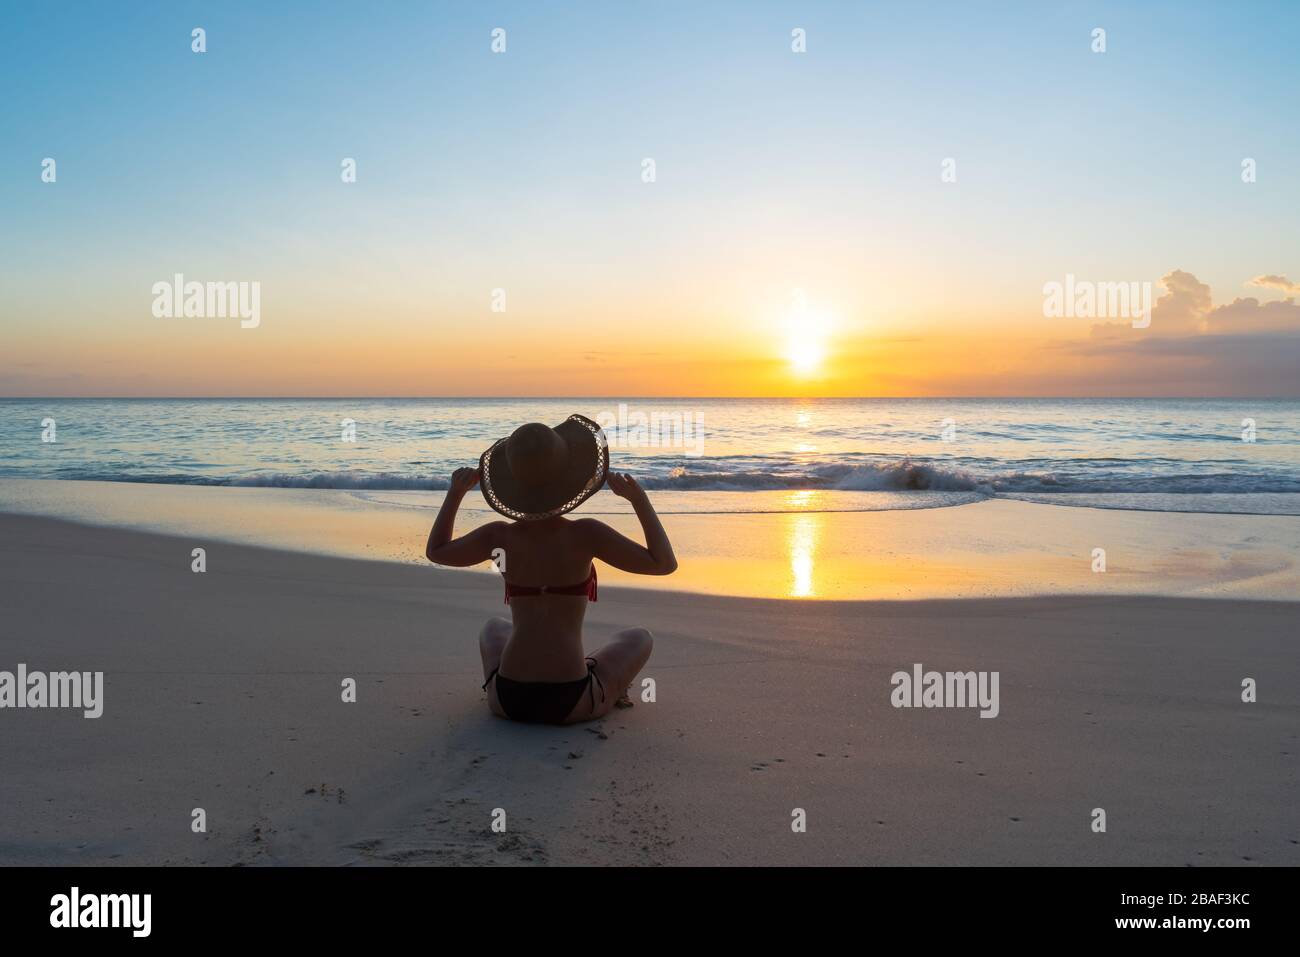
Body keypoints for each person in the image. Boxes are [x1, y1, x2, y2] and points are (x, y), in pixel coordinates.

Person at [425, 413, 676, 724]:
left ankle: (519, 678)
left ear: (513, 481)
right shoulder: (586, 534)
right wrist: (639, 499)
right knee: (640, 638)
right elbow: (663, 564)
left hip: (506, 699)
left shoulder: (498, 536)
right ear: (570, 476)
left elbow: (436, 551)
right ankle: (602, 683)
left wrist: (455, 493)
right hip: (570, 700)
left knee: (494, 626)